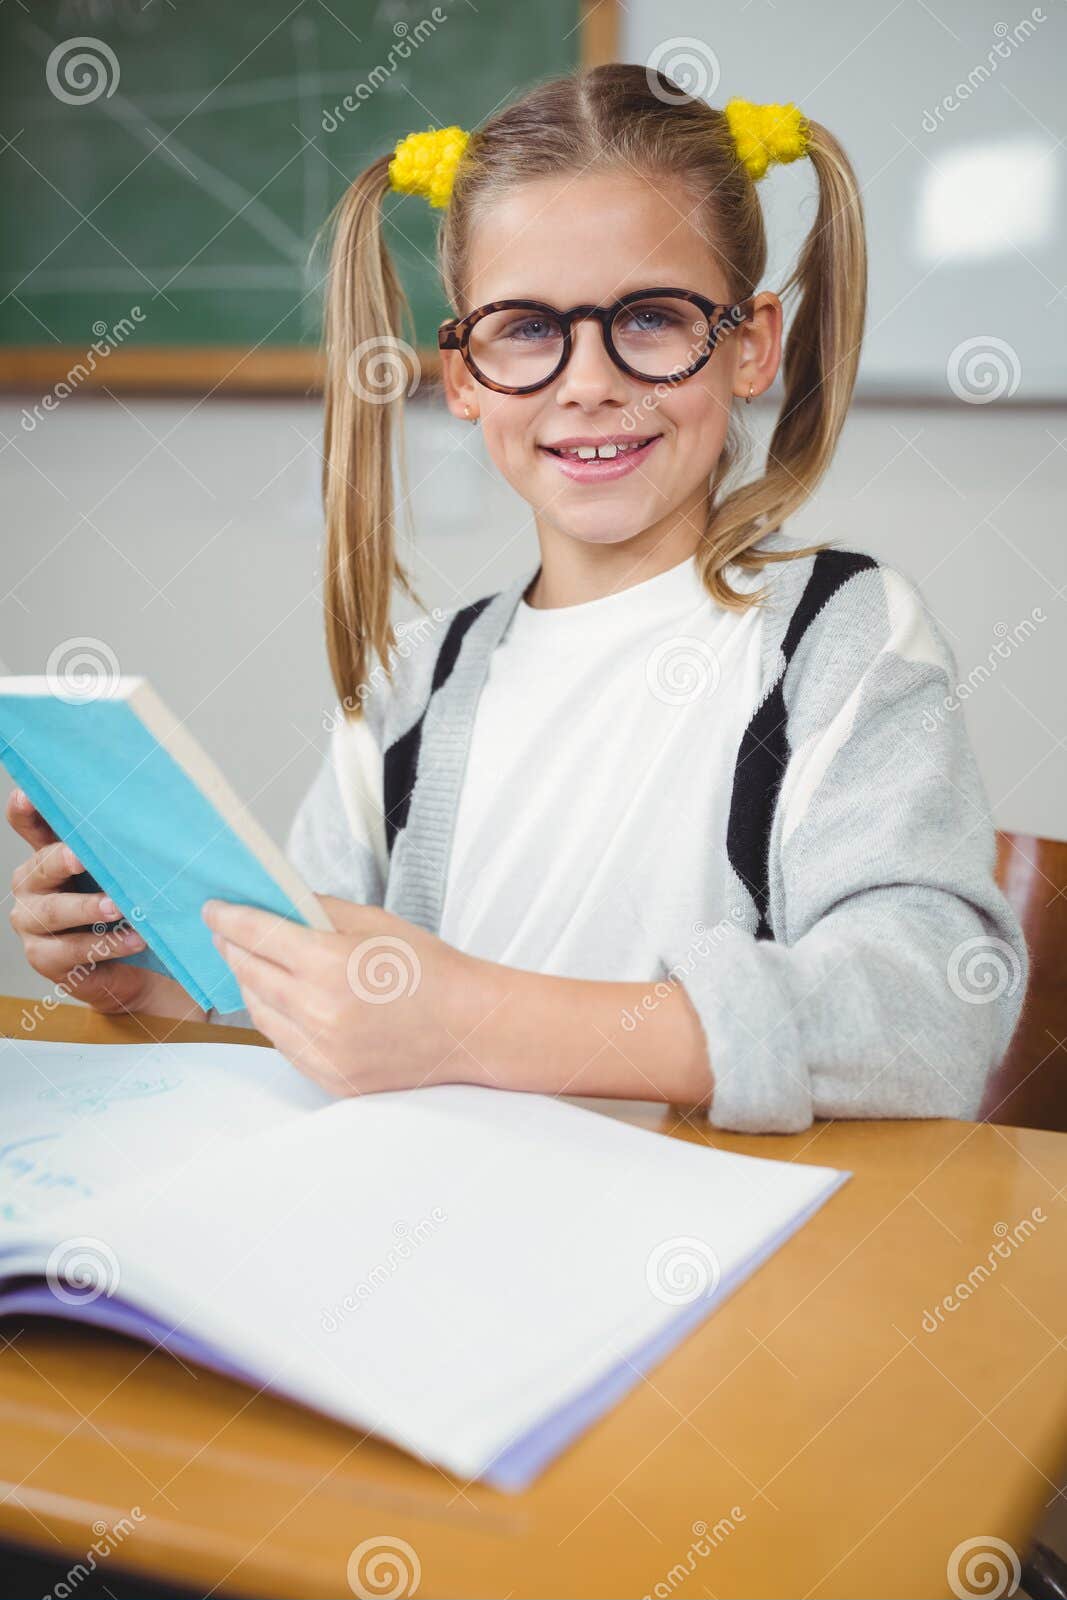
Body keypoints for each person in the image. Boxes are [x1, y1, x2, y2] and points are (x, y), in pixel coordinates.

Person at [7, 67, 1027, 1132]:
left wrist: (470, 1018)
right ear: (462, 377)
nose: (587, 380)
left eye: (649, 316)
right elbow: (327, 999)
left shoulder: (840, 636)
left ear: (749, 345)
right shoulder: (412, 679)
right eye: (526, 329)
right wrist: (148, 981)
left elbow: (929, 1014)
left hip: (732, 1275)